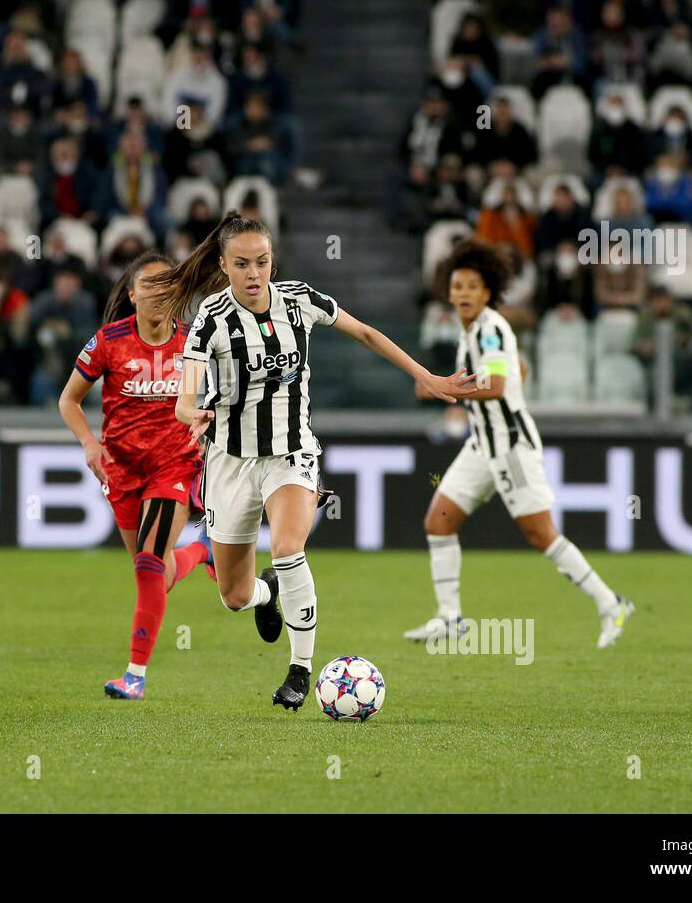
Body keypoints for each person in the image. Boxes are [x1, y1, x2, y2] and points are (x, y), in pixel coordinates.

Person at [156, 211, 474, 710]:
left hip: (291, 452)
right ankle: (267, 592)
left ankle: (300, 670)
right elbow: (184, 397)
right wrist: (190, 412)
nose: (254, 273)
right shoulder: (211, 319)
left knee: (287, 547)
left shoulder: (300, 300)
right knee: (234, 596)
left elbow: (366, 333)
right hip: (229, 461)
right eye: (242, 264)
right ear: (223, 266)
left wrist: (427, 376)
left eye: (262, 262)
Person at [405, 239, 635, 649]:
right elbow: (520, 370)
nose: (463, 293)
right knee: (438, 521)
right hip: (483, 446)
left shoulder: (489, 329)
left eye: (472, 286)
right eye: (457, 286)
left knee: (541, 534)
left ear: (488, 291)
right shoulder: (474, 332)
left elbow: (494, 386)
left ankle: (611, 602)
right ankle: (450, 618)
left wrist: (445, 390)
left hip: (509, 445)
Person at [57, 252, 216, 701]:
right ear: (132, 294)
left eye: (168, 284)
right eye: (149, 285)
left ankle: (134, 676)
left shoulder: (194, 342)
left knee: (148, 562)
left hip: (175, 464)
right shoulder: (109, 340)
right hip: (122, 470)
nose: (159, 292)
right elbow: (69, 400)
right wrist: (90, 443)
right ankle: (201, 553)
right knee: (155, 572)